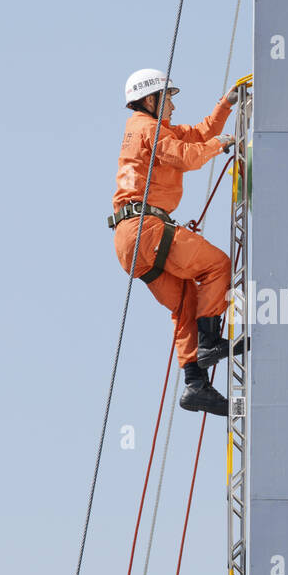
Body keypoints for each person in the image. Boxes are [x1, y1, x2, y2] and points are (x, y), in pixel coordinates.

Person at [109, 69, 237, 416]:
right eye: (168, 98)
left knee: (186, 303)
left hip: (131, 239)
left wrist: (225, 104)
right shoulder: (147, 128)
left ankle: (195, 383)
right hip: (145, 228)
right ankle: (208, 343)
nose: (173, 106)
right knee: (217, 265)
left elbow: (195, 135)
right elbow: (188, 156)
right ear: (150, 101)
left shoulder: (150, 128)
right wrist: (220, 145)